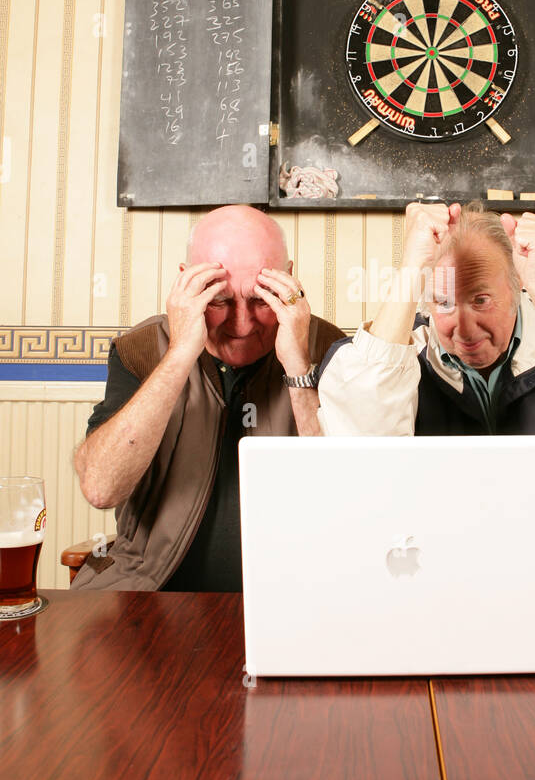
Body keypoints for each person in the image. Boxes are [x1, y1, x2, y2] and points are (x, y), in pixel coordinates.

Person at [317, 200, 535, 592]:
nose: (465, 330)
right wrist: (410, 271)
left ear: (517, 289)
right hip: (456, 585)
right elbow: (360, 459)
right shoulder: (399, 353)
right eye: (443, 302)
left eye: (481, 300)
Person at [72, 205, 343, 591]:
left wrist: (298, 363)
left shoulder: (329, 347)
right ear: (186, 284)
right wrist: (180, 352)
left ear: (289, 279)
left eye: (261, 299)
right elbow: (101, 487)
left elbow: (346, 499)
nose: (242, 325)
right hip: (151, 592)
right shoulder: (143, 349)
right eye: (219, 300)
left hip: (295, 591)